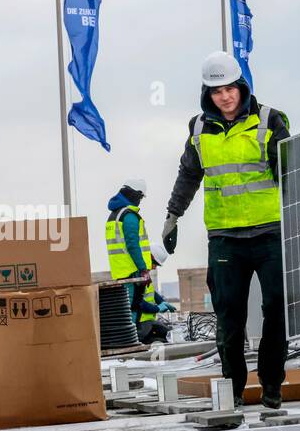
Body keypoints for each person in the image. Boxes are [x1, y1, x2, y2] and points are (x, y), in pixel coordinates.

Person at [164, 52, 289, 409]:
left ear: (242, 86)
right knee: (229, 319)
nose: (225, 97)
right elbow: (189, 174)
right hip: (224, 239)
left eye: (230, 89)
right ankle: (233, 390)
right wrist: (173, 215)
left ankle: (272, 386)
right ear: (208, 93)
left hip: (270, 234)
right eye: (217, 91)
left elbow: (292, 172)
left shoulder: (270, 121)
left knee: (277, 311)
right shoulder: (200, 129)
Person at [104, 178, 152, 332]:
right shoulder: (129, 216)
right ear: (135, 194)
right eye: (140, 197)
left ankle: (130, 339)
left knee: (126, 309)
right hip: (132, 272)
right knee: (132, 309)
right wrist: (143, 268)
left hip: (121, 271)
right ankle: (130, 341)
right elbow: (132, 244)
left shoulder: (114, 215)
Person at [133, 240, 175, 344]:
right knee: (164, 337)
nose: (154, 267)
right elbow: (138, 301)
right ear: (149, 256)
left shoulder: (145, 275)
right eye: (154, 263)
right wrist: (157, 308)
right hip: (141, 323)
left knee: (167, 334)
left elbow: (151, 291)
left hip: (147, 321)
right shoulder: (138, 274)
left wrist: (161, 301)